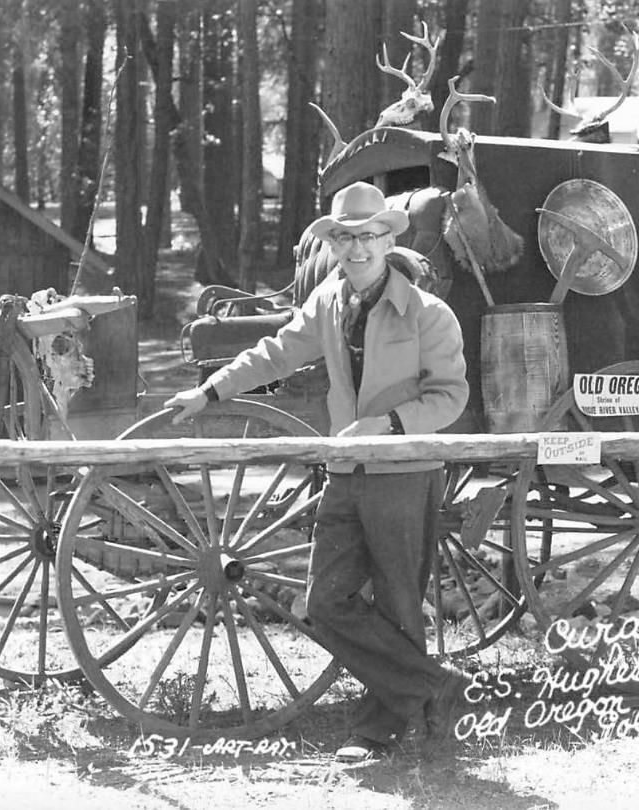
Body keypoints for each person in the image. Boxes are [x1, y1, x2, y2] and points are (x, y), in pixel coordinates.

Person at [164, 181, 470, 760]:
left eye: (369, 237)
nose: (358, 249)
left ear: (387, 240)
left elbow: (450, 398)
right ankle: (434, 687)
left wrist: (388, 424)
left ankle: (379, 730)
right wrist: (210, 391)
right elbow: (276, 352)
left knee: (400, 605)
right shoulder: (328, 303)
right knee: (325, 603)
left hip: (404, 471)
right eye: (346, 238)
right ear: (333, 243)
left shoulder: (430, 315)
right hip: (346, 469)